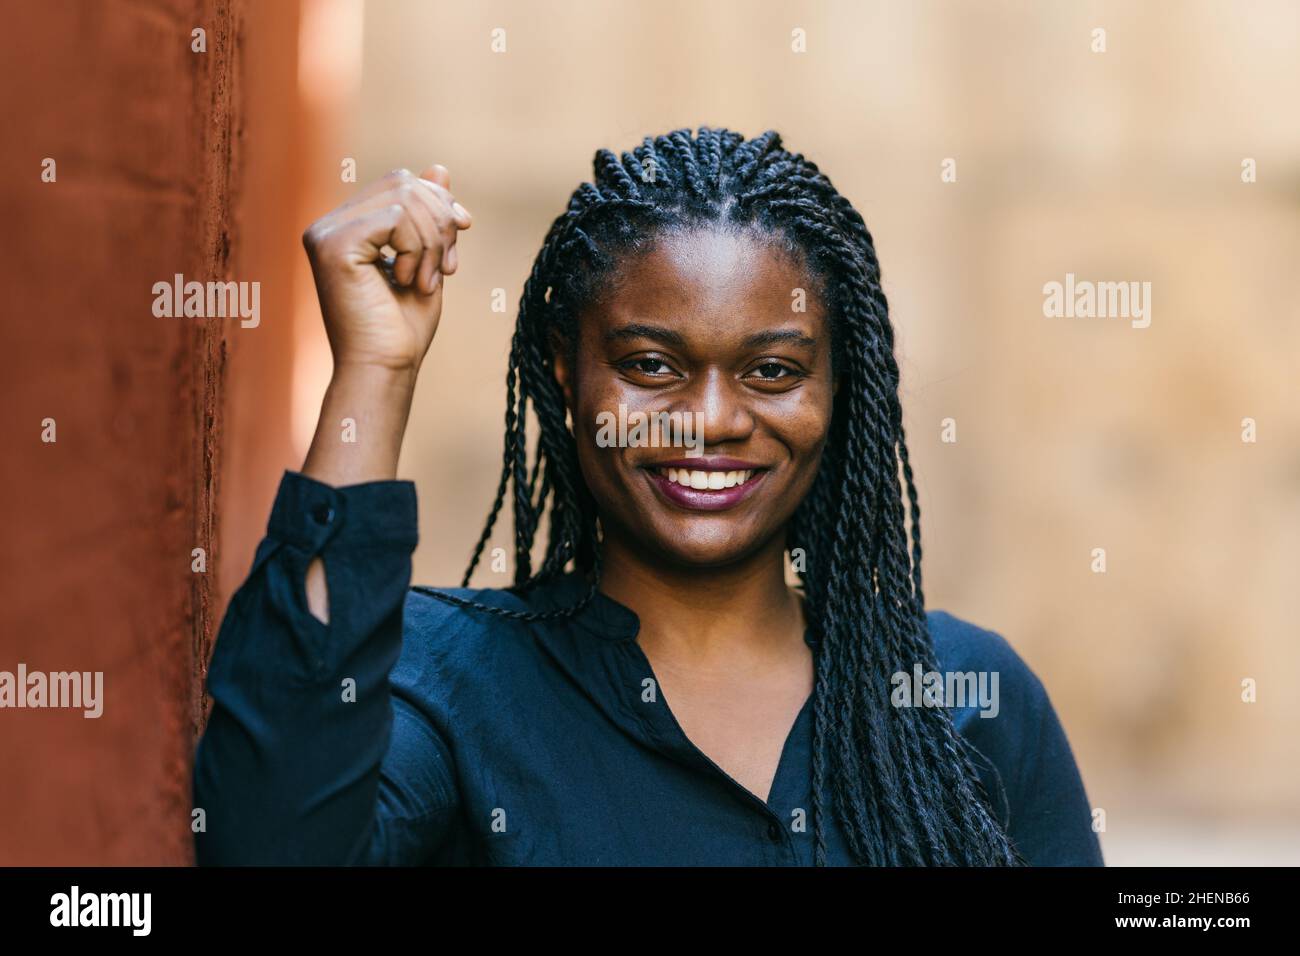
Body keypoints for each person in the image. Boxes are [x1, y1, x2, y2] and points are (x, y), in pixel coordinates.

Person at [192, 127, 1104, 866]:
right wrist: (376, 369)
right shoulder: (451, 680)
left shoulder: (966, 698)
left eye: (773, 370)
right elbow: (271, 846)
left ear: (838, 393)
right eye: (651, 366)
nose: (708, 420)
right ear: (567, 376)